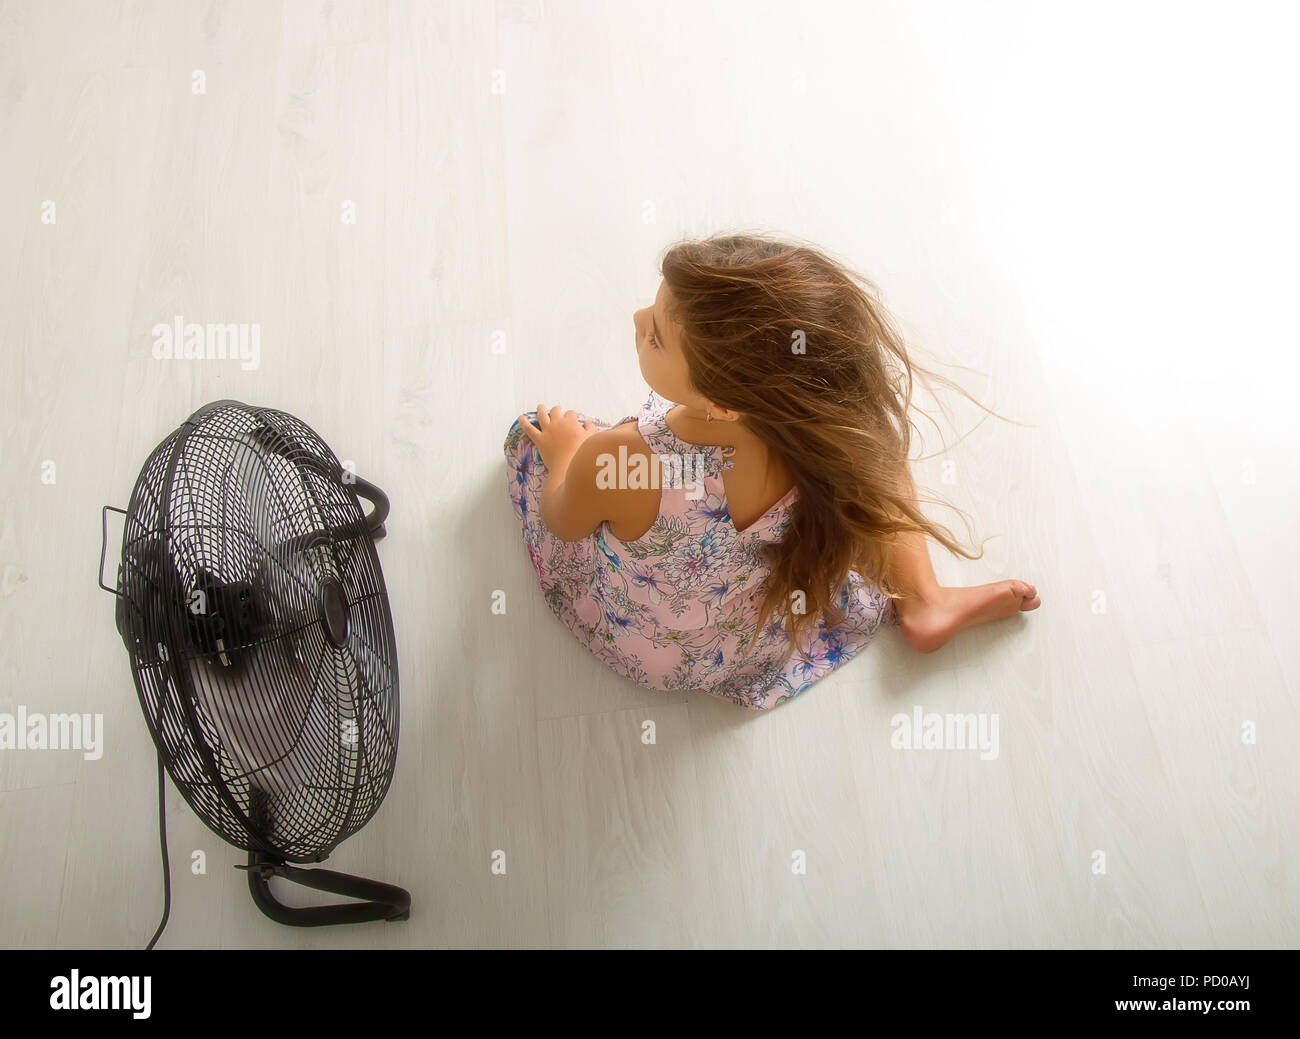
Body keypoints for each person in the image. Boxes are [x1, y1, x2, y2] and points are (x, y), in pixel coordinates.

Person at [503, 231, 1039, 711]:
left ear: (724, 405)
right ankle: (921, 597)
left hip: (651, 647)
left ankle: (923, 605)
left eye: (656, 337)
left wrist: (568, 454)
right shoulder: (813, 436)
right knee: (874, 442)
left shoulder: (621, 460)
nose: (637, 320)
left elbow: (561, 520)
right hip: (740, 637)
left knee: (534, 433)